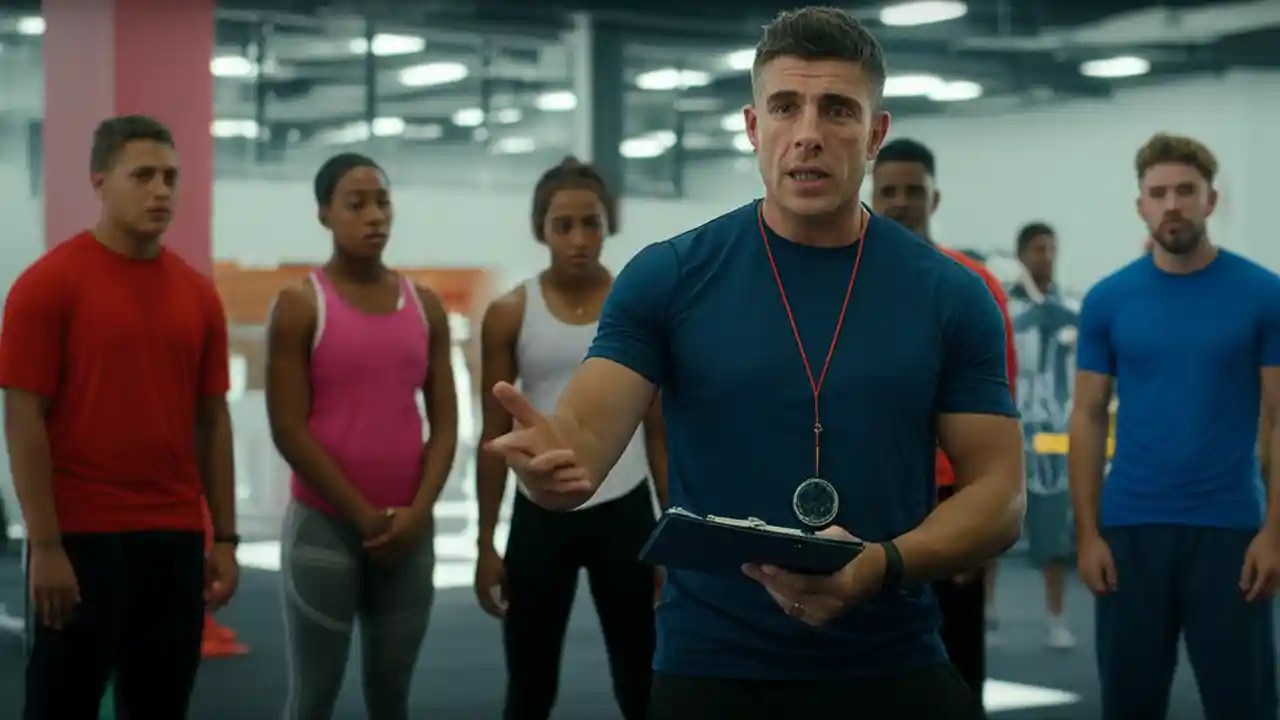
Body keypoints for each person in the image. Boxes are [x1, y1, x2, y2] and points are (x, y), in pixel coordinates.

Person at [484, 8, 1025, 719]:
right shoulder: (669, 277)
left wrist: (881, 564)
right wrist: (560, 467)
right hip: (712, 666)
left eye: (837, 109)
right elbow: (589, 424)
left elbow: (1000, 495)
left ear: (874, 134)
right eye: (785, 107)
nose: (808, 133)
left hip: (890, 657)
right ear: (751, 126)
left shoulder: (951, 295)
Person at [0, 114, 240, 719]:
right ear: (100, 181)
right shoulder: (48, 285)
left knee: (160, 706)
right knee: (61, 705)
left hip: (174, 537)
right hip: (81, 538)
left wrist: (227, 537)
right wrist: (46, 543)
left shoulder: (197, 294)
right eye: (143, 176)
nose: (161, 191)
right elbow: (23, 418)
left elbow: (213, 422)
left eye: (170, 177)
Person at [1069, 132, 1280, 720]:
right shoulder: (1109, 300)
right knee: (1130, 703)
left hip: (1230, 529)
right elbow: (1086, 416)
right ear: (1140, 204)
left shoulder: (1264, 295)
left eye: (1185, 191)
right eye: (1157, 193)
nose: (1171, 205)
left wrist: (1276, 532)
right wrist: (1087, 533)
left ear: (1210, 200)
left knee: (1245, 704)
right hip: (1130, 530)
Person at [474, 157, 669, 720]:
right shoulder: (511, 312)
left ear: (609, 225)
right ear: (542, 230)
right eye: (564, 226)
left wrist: (672, 529)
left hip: (624, 506)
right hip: (540, 511)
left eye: (592, 223)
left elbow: (657, 428)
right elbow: (492, 431)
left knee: (640, 678)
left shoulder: (634, 307)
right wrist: (487, 543)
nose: (580, 239)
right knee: (529, 684)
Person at [266, 153, 458, 720]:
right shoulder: (302, 305)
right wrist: (360, 514)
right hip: (326, 525)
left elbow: (446, 423)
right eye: (356, 205)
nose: (374, 215)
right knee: (314, 697)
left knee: (391, 698)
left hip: (407, 527)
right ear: (326, 214)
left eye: (382, 201)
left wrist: (418, 512)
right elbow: (288, 429)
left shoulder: (424, 307)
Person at [870, 137, 1017, 701]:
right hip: (867, 500)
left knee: (955, 671)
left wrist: (980, 524)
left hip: (951, 497)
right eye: (889, 191)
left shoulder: (975, 287)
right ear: (872, 196)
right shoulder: (844, 280)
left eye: (913, 191)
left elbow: (1002, 411)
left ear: (935, 198)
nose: (901, 202)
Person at [1008, 221, 1078, 650]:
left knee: (1053, 523)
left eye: (1051, 248)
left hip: (1054, 430)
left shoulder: (1067, 304)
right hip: (1013, 427)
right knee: (997, 522)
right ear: (1023, 255)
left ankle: (1056, 618)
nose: (1046, 257)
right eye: (1038, 249)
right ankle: (990, 612)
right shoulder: (1008, 306)